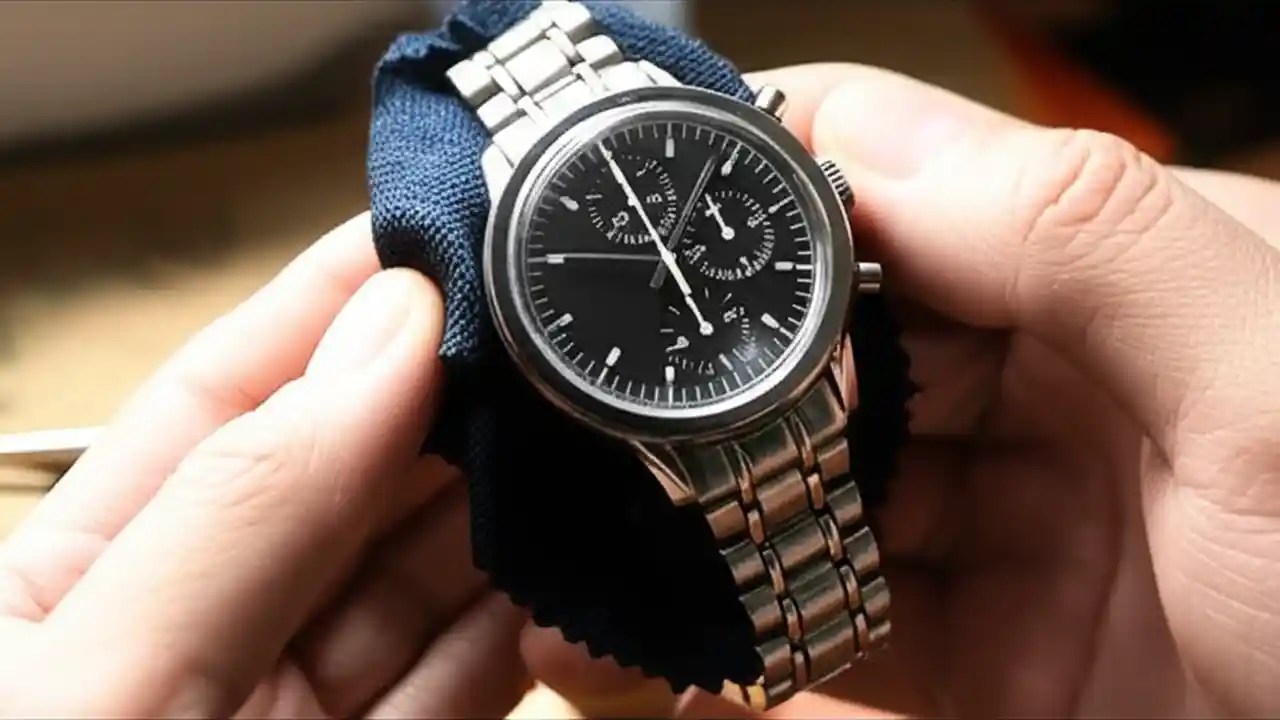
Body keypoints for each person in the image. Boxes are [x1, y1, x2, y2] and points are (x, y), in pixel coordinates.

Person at [1, 63, 1276, 719]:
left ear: (819, 212)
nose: (671, 262)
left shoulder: (819, 233)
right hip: (683, 416)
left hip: (791, 378)